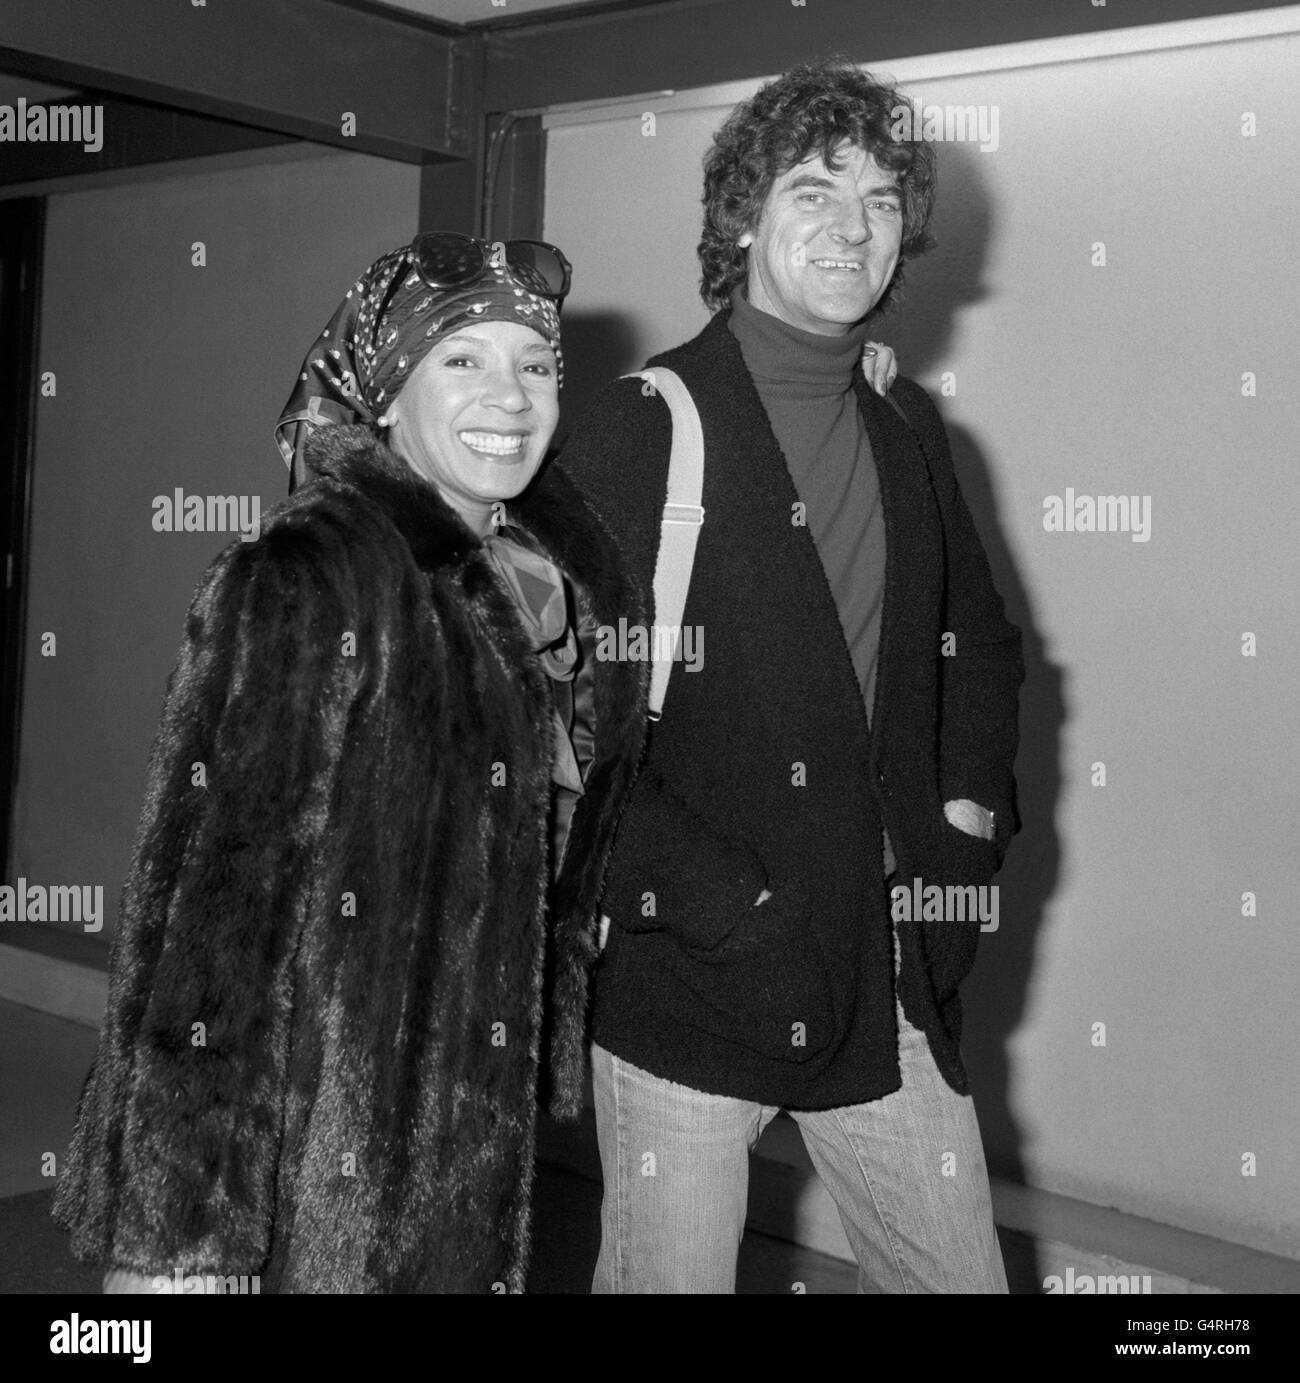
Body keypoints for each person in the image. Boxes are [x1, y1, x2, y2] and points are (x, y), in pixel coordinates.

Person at [52, 233, 649, 1293]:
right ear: (388, 390)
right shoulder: (306, 576)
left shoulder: (549, 583)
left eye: (537, 363)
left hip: (468, 1142)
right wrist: (184, 1231)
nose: (509, 395)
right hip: (316, 1169)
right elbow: (208, 918)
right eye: (462, 359)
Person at [559, 60, 1025, 1293]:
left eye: (879, 199)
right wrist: (728, 909)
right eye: (813, 189)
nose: (851, 226)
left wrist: (964, 829)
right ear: (744, 219)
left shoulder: (908, 426)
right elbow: (566, 724)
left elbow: (976, 643)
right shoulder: (637, 427)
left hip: (886, 971)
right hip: (690, 977)